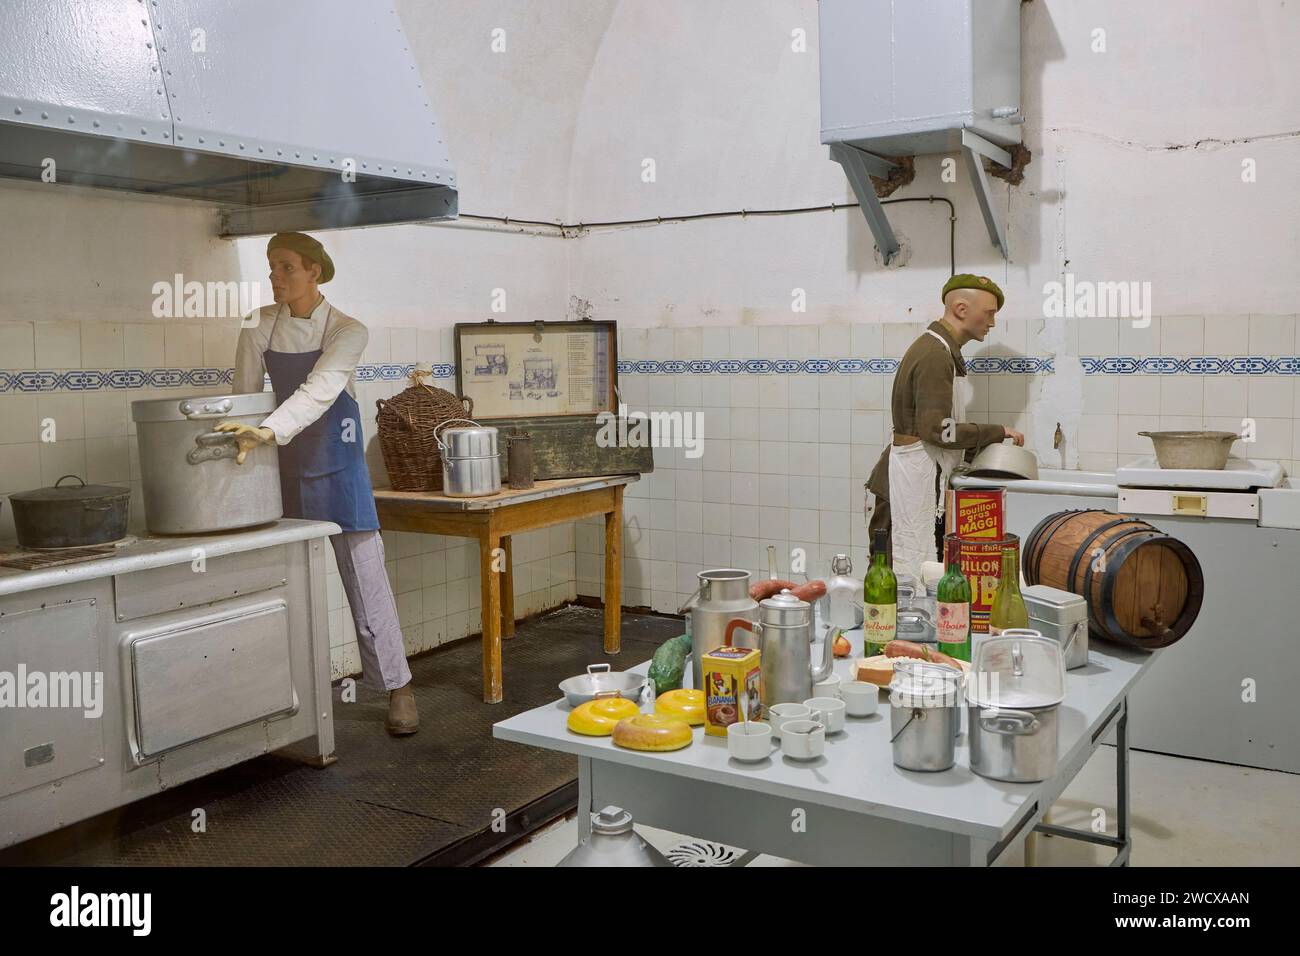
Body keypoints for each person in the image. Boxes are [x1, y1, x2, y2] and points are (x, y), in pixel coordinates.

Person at [216, 232, 418, 736]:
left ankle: (398, 687)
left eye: (286, 267)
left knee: (367, 582)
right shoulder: (259, 323)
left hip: (338, 464)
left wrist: (268, 430)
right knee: (281, 584)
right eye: (270, 267)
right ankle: (282, 695)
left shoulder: (349, 329)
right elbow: (244, 395)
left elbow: (322, 387)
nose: (275, 277)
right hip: (279, 465)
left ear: (314, 272)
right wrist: (244, 439)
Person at [866, 274, 1025, 589]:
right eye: (989, 313)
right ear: (961, 308)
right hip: (905, 482)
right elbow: (937, 429)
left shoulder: (940, 349)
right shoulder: (936, 353)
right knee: (895, 581)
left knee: (902, 578)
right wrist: (996, 432)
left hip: (912, 477)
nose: (992, 322)